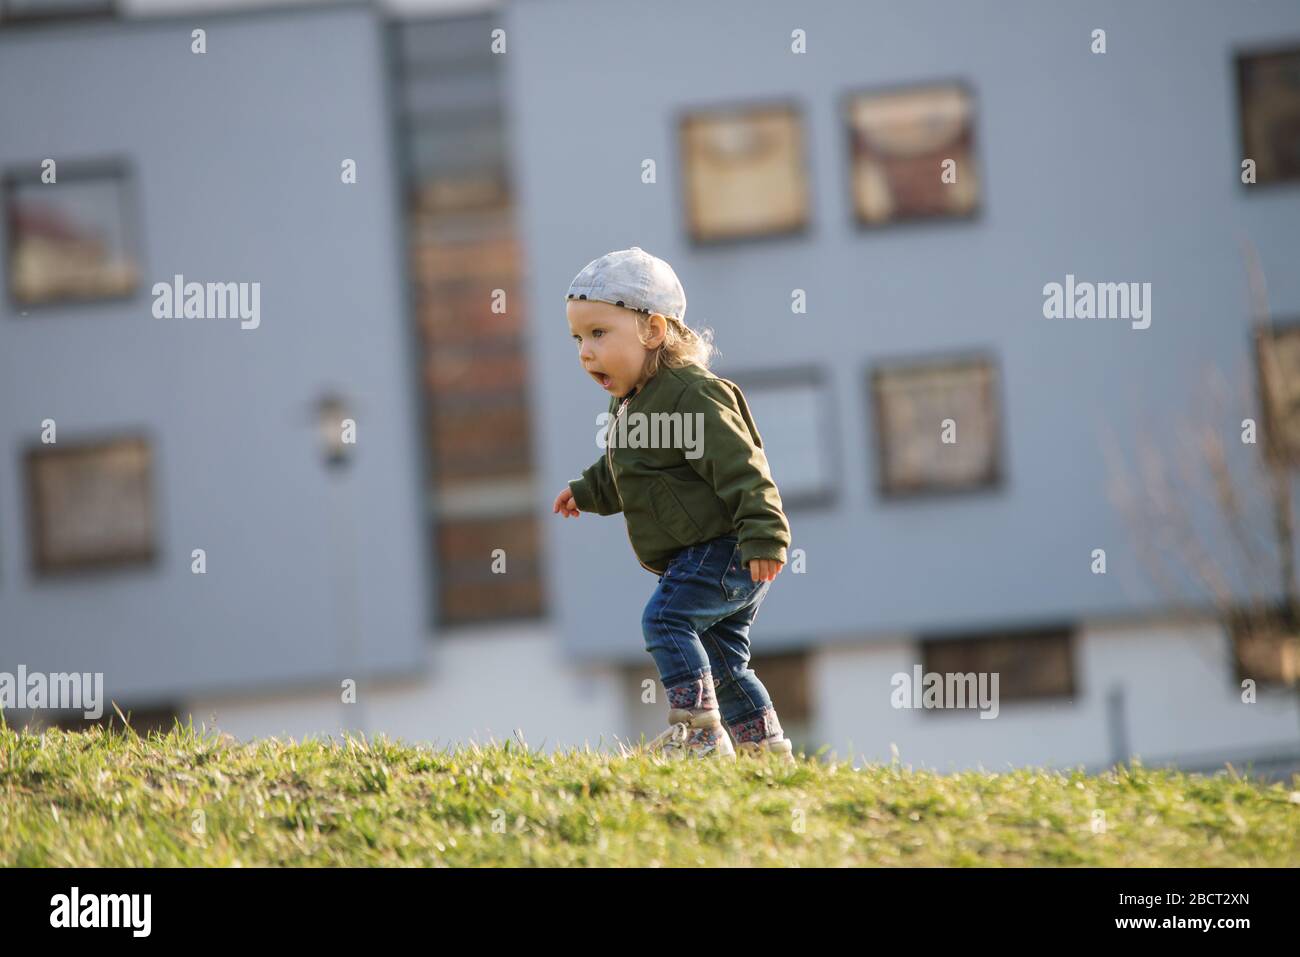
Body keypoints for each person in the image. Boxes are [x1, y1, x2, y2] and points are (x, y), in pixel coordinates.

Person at [552, 247, 795, 764]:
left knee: (664, 621)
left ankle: (699, 733)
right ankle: (767, 753)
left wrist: (765, 535)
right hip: (709, 554)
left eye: (599, 333)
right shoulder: (635, 400)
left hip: (727, 548)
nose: (585, 352)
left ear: (653, 330)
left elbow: (743, 468)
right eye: (578, 338)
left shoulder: (693, 394)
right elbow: (632, 467)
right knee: (728, 665)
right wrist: (588, 490)